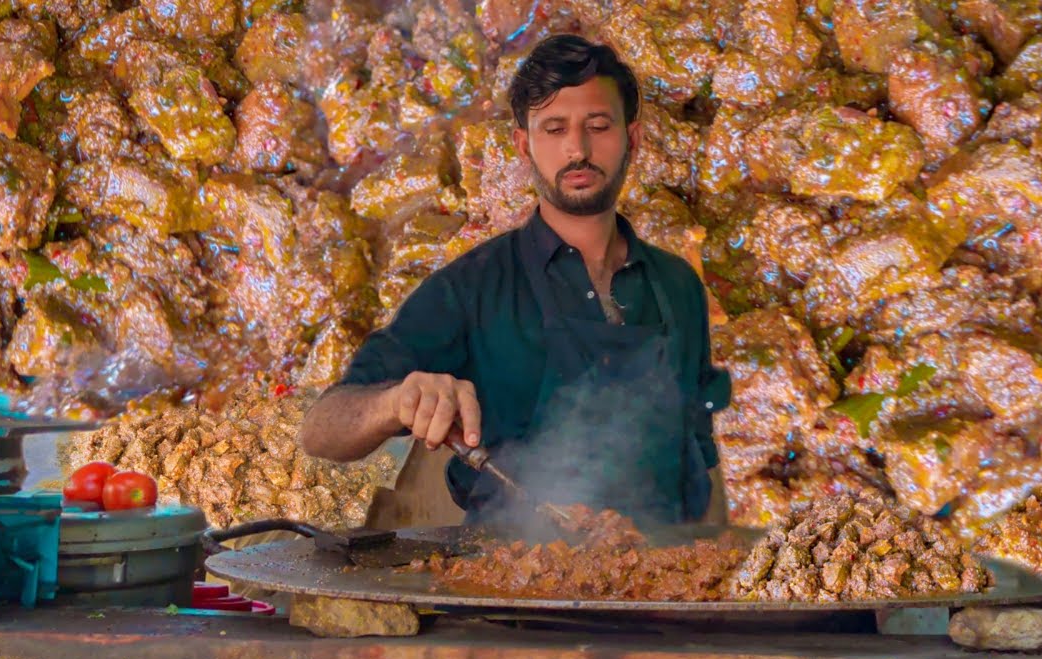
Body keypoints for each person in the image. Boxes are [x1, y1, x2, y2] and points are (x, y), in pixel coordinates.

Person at [300, 34, 730, 526]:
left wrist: (715, 572)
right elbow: (321, 430)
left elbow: (703, 456)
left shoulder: (678, 285)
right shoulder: (471, 288)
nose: (577, 148)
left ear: (631, 138)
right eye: (554, 129)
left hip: (662, 585)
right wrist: (398, 402)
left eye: (597, 125)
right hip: (506, 583)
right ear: (523, 145)